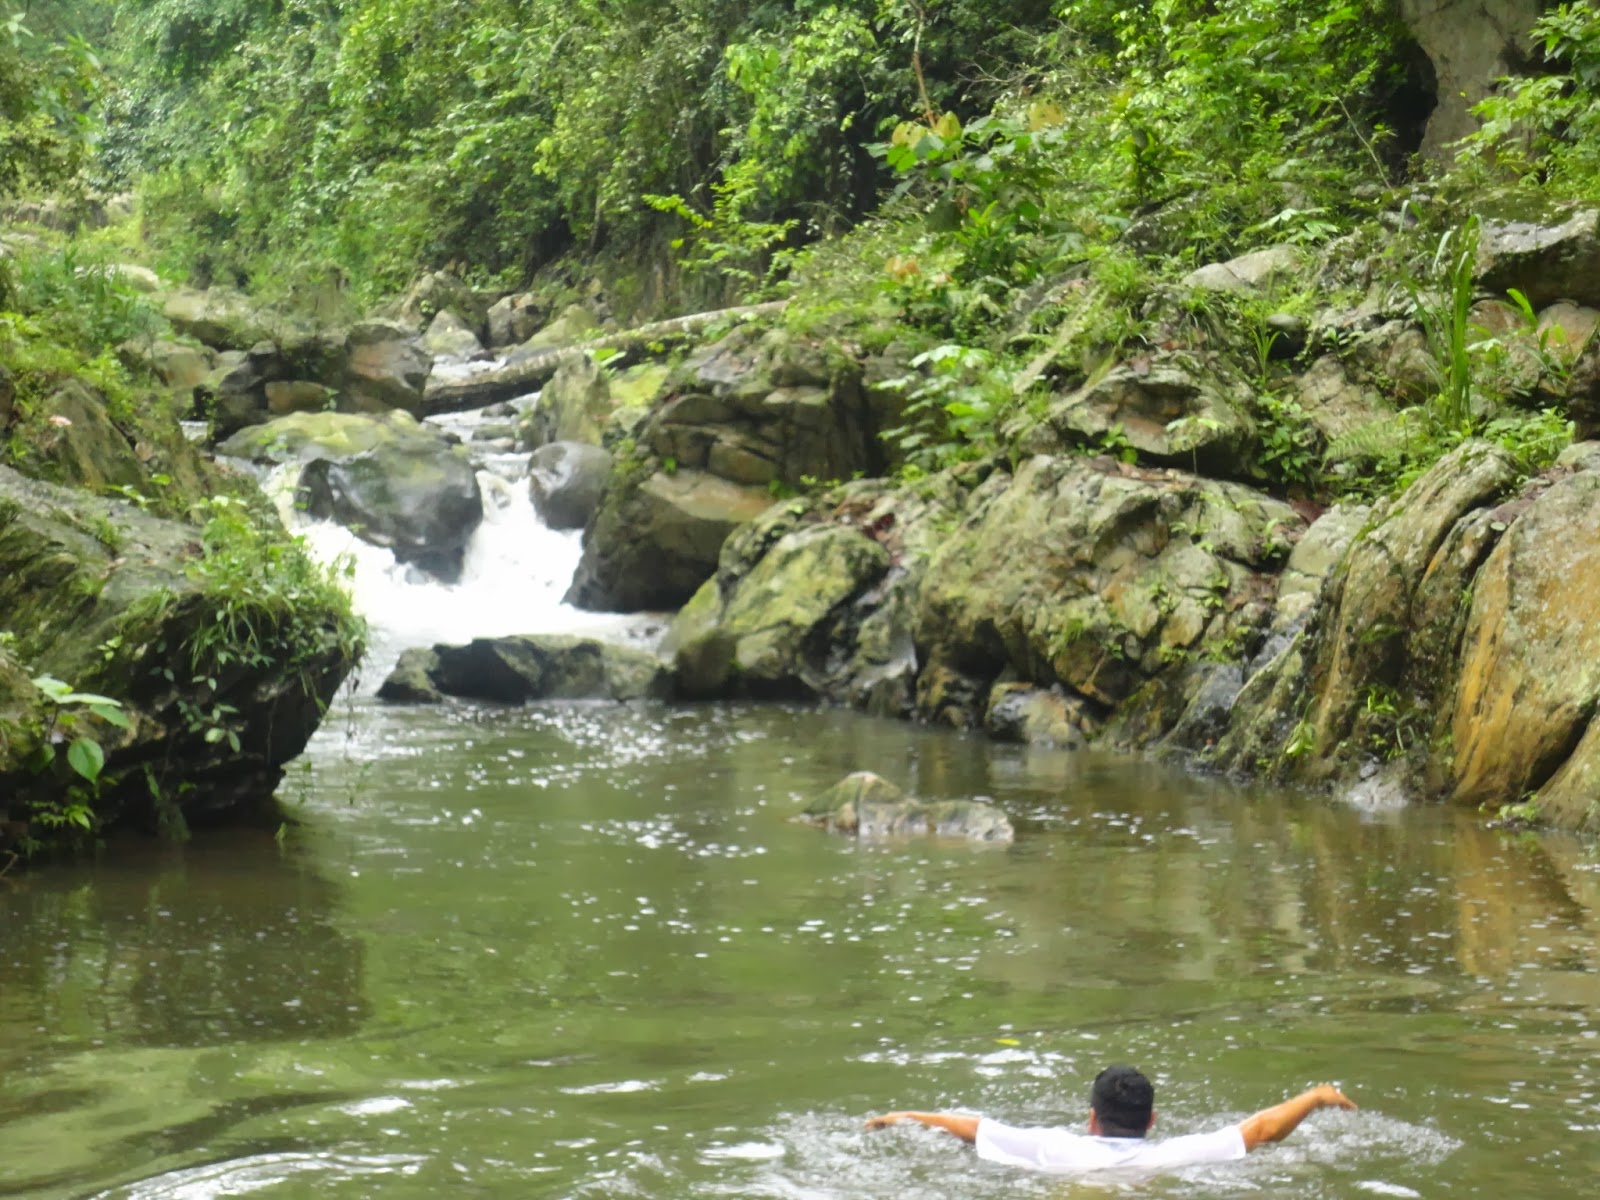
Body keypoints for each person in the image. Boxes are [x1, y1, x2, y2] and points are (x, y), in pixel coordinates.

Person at [864, 1065, 1356, 1175]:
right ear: (1152, 1119)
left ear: (1091, 1118)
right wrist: (1315, 1095)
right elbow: (1262, 1129)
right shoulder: (1173, 1155)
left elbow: (972, 1128)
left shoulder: (1055, 1149)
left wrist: (904, 1116)